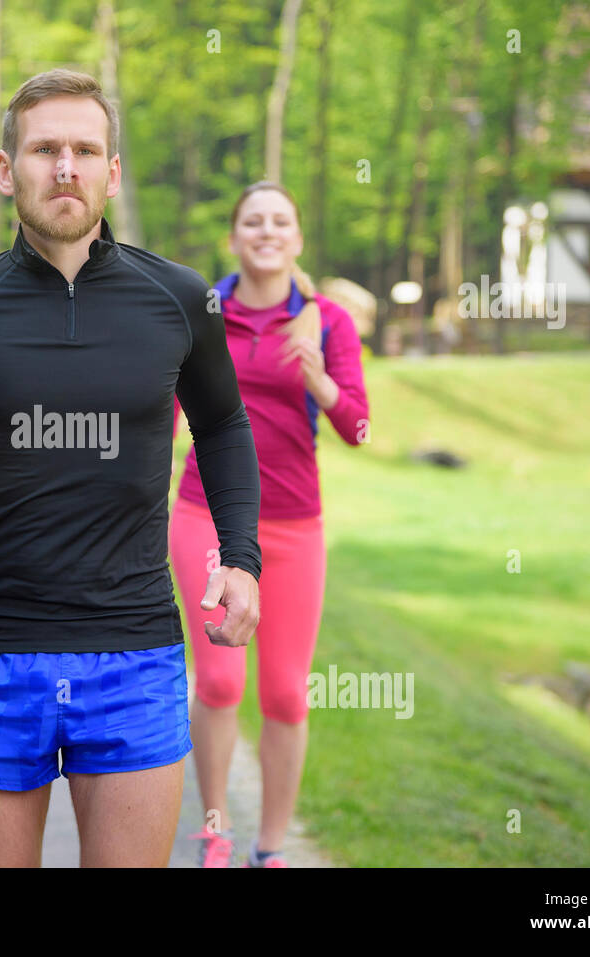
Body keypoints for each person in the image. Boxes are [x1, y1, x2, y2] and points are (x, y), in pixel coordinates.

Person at [0, 69, 262, 868]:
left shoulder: (180, 299)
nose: (66, 168)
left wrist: (243, 559)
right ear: (8, 169)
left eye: (86, 150)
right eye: (45, 149)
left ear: (112, 172)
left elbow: (223, 423)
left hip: (135, 652)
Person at [170, 182, 369, 867]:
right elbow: (163, 407)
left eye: (280, 220)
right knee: (221, 680)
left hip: (294, 524)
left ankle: (272, 846)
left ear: (298, 239)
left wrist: (320, 381)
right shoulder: (203, 311)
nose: (266, 231)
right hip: (207, 513)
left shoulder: (330, 322)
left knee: (285, 693)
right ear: (234, 237)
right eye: (252, 221)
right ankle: (216, 827)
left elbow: (359, 427)